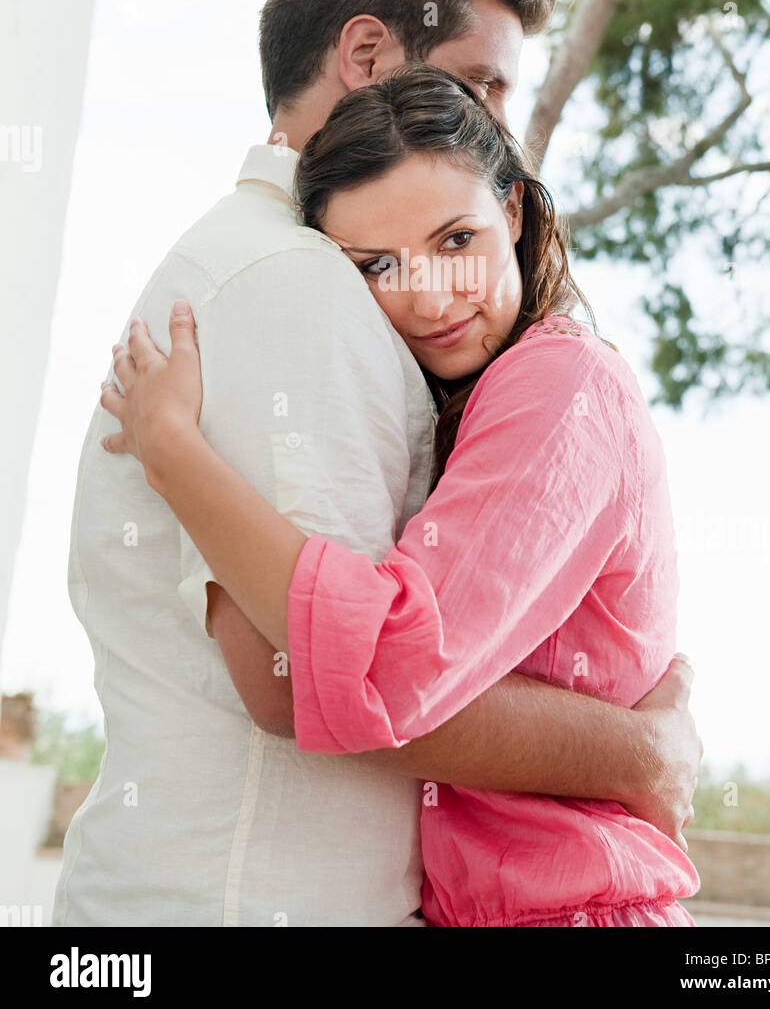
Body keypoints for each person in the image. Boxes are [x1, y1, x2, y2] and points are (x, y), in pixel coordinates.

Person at [98, 64, 702, 928]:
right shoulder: (476, 403)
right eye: (378, 264)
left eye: (457, 240)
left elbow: (382, 666)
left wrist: (173, 453)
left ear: (517, 213)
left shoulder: (562, 380)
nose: (426, 295)